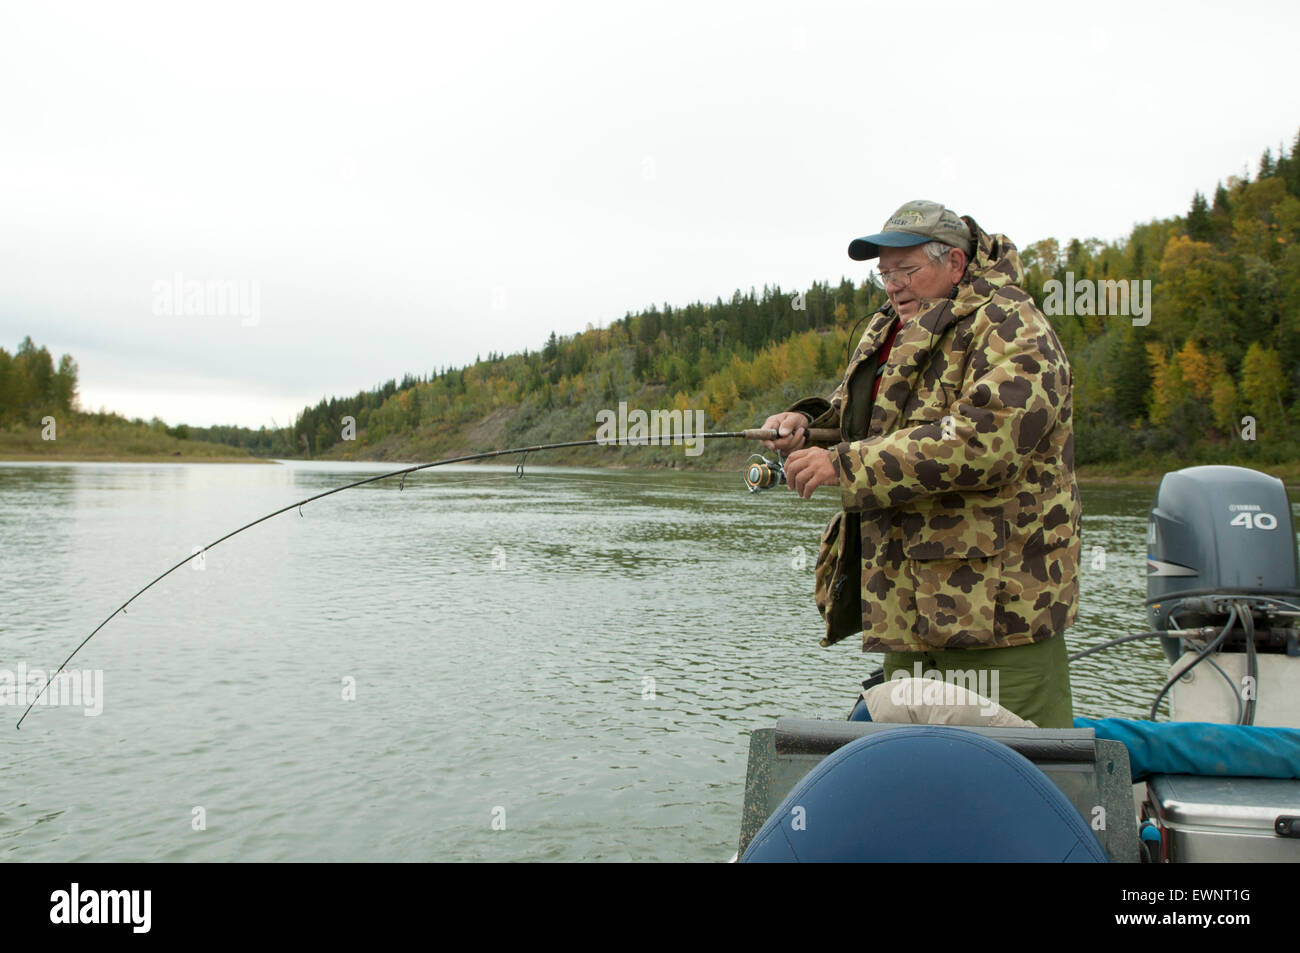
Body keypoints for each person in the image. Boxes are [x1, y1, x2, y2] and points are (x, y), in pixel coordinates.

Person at [762, 200, 1080, 728]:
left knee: (1030, 779)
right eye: (884, 274)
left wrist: (844, 465)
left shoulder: (1013, 327)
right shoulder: (890, 327)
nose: (892, 285)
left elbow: (983, 443)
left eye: (906, 271)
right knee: (908, 786)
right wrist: (806, 424)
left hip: (1000, 616)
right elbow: (865, 419)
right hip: (908, 614)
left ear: (954, 263)